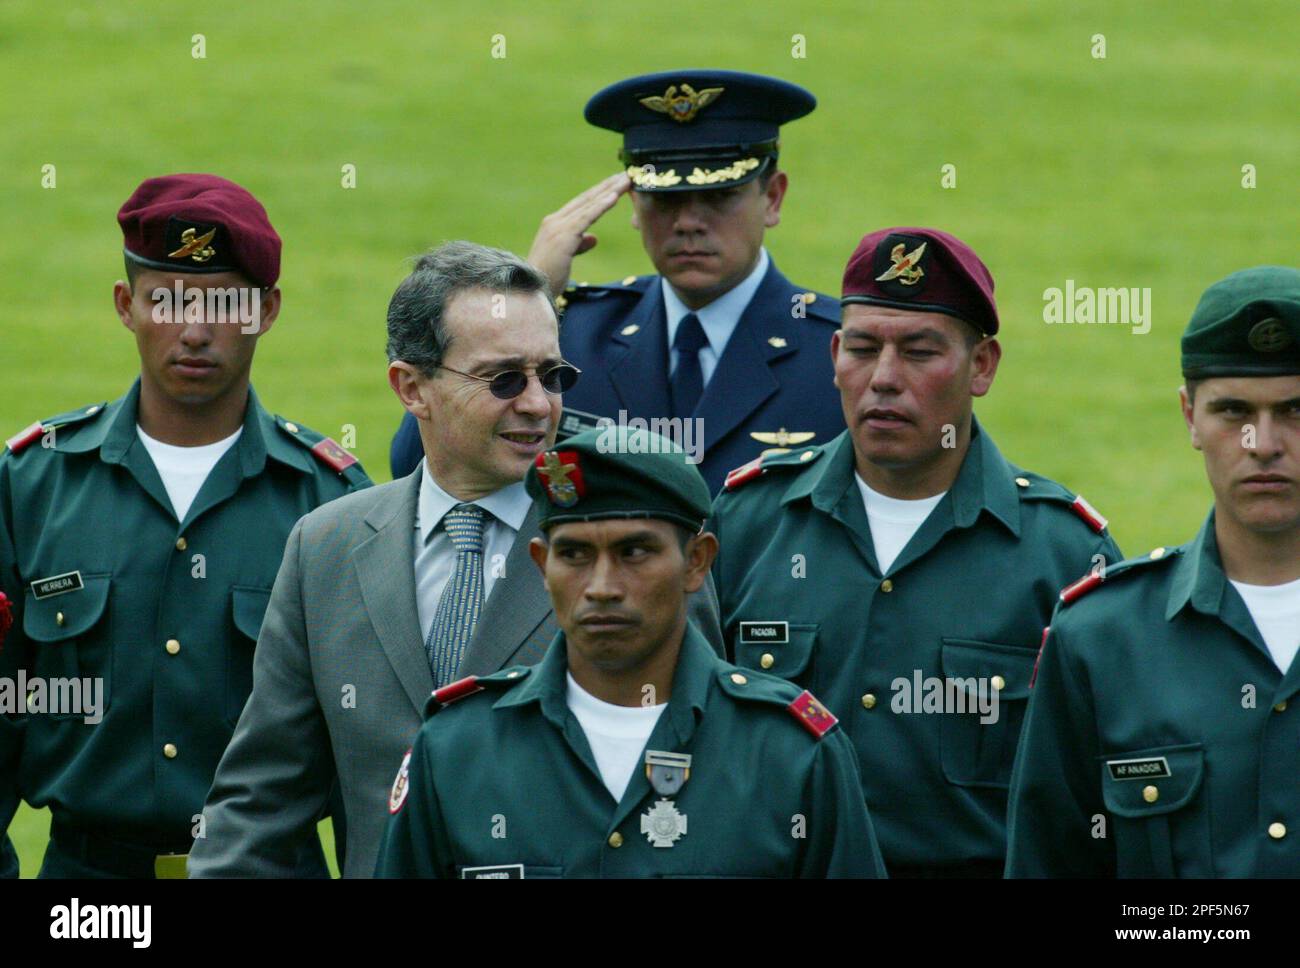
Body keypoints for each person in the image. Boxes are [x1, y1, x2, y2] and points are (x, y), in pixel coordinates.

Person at [189, 242, 722, 878]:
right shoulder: (325, 547)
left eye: (551, 376)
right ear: (412, 387)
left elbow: (704, 772)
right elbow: (261, 804)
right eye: (503, 380)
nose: (537, 404)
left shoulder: (630, 544)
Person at [707, 226, 1123, 877]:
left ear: (981, 366)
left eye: (921, 352)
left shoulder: (1063, 553)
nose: (884, 379)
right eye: (864, 349)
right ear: (836, 354)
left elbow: (1100, 803)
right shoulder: (748, 523)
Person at [0, 174, 370, 878]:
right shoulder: (32, 485)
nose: (195, 330)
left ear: (266, 311)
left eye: (223, 302)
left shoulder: (331, 501)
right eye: (167, 300)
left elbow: (367, 747)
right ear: (125, 306)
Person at [375, 427, 885, 878]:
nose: (601, 587)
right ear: (540, 565)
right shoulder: (456, 750)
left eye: (634, 552)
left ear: (697, 562)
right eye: (574, 554)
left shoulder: (789, 753)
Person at [390, 70, 845, 493]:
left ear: (773, 197)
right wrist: (530, 295)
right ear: (633, 203)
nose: (688, 222)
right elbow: (421, 468)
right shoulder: (568, 335)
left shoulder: (841, 355)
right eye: (665, 198)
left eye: (718, 196)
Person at [1007, 267, 1300, 877]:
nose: (1263, 442)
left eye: (1295, 410)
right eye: (1233, 410)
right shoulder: (1100, 638)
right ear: (1190, 416)